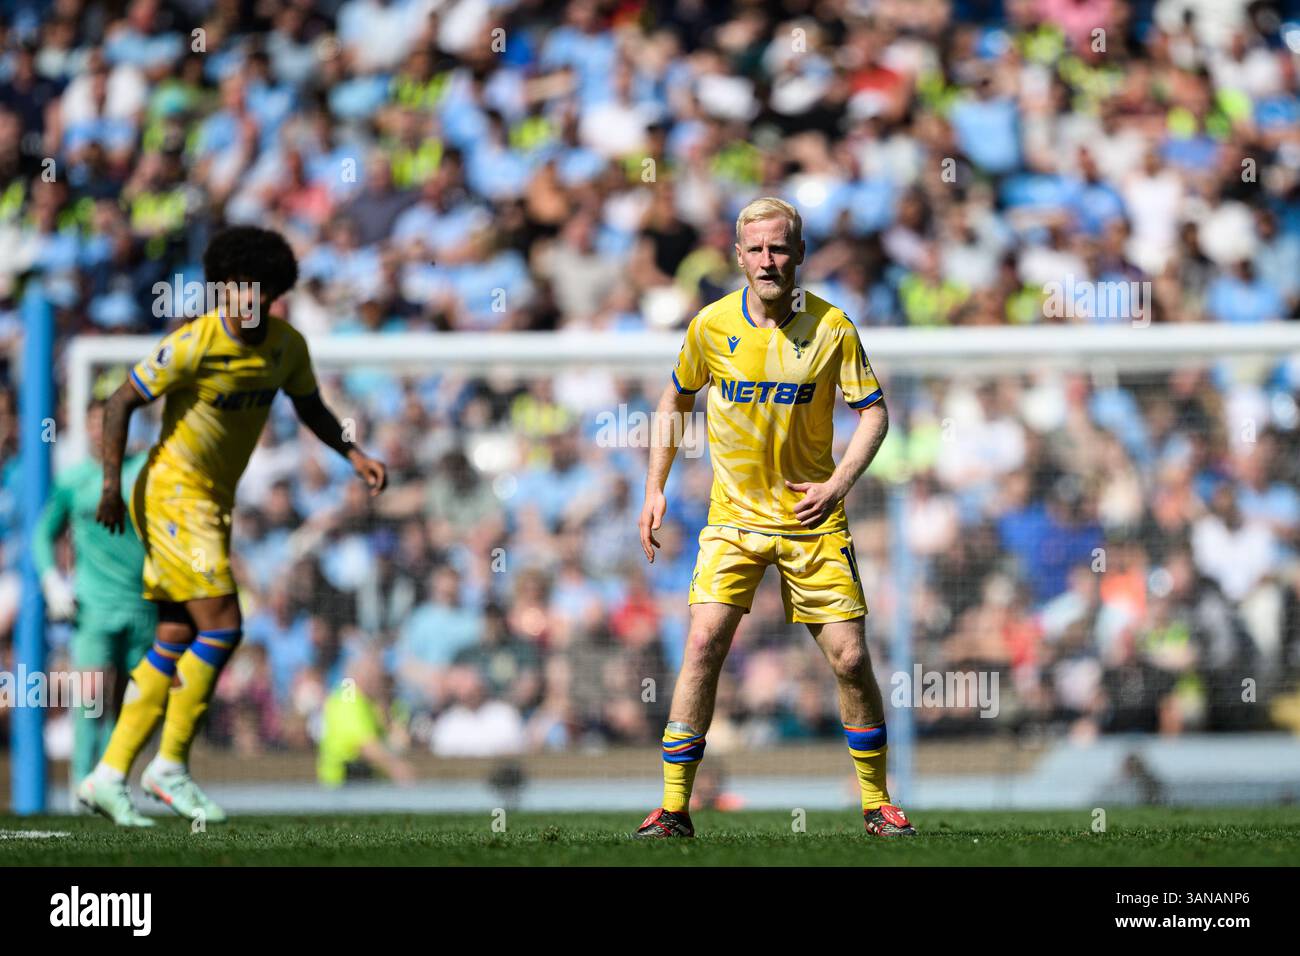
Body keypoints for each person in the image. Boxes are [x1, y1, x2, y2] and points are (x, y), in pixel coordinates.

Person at [77, 225, 389, 826]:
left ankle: (108, 775)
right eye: (236, 289)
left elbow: (311, 407)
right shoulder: (193, 343)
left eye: (260, 290)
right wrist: (112, 486)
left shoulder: (287, 346)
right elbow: (119, 402)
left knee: (174, 638)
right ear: (221, 290)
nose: (246, 300)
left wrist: (354, 454)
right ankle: (167, 767)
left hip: (211, 502)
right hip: (171, 495)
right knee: (224, 626)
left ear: (273, 293)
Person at [634, 197, 915, 838]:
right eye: (756, 249)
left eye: (779, 248)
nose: (767, 260)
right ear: (739, 256)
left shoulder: (834, 327)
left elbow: (874, 412)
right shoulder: (710, 325)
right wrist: (655, 487)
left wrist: (838, 483)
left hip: (811, 521)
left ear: (799, 254)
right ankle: (673, 809)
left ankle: (877, 801)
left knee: (848, 659)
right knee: (703, 644)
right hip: (732, 518)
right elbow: (673, 398)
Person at [33, 396, 156, 796]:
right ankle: (81, 786)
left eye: (111, 422)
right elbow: (42, 533)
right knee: (90, 700)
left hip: (143, 607)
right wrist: (52, 579)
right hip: (94, 607)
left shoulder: (144, 472)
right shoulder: (73, 480)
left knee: (131, 706)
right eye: (95, 423)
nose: (102, 431)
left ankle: (109, 782)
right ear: (84, 428)